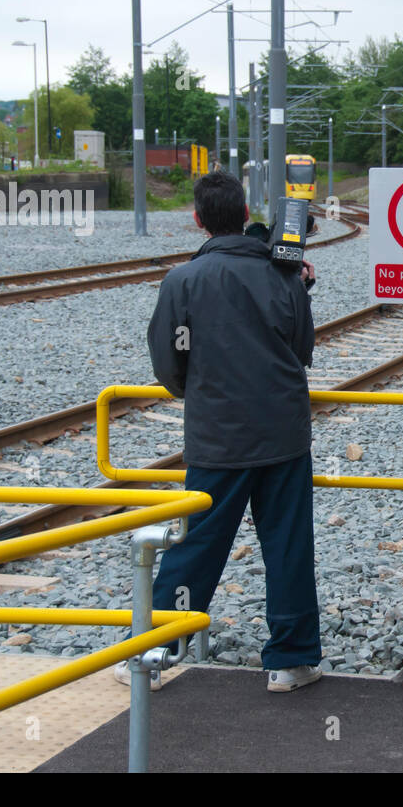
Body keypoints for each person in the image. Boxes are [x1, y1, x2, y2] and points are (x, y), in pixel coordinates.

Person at [137, 168, 322, 693]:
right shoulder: (284, 274)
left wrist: (195, 391)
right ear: (246, 216)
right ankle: (290, 661)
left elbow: (168, 361)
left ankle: (156, 648)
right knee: (287, 545)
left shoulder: (183, 281)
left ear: (198, 221)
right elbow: (302, 350)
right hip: (283, 435)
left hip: (216, 436)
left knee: (197, 542)